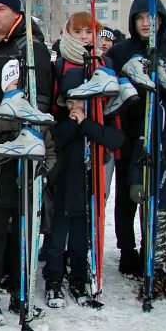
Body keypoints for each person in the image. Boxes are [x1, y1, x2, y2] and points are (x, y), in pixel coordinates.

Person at [0, 0, 55, 324]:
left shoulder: (30, 47)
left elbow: (43, 100)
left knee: (23, 225)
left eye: (1, 9)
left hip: (26, 147)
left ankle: (20, 291)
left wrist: (34, 139)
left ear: (16, 13)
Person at [107, 0, 166, 281]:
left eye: (153, 17)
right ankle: (127, 251)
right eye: (141, 18)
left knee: (160, 198)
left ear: (162, 20)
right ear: (133, 21)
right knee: (128, 196)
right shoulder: (121, 51)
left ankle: (156, 252)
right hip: (129, 133)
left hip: (163, 137)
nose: (147, 23)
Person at [44, 78, 124, 307]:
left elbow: (115, 140)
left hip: (87, 193)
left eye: (78, 101)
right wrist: (74, 123)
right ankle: (53, 283)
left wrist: (86, 123)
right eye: (70, 102)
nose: (74, 107)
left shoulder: (98, 121)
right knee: (57, 243)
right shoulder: (60, 123)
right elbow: (58, 138)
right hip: (63, 191)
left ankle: (78, 281)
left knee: (81, 243)